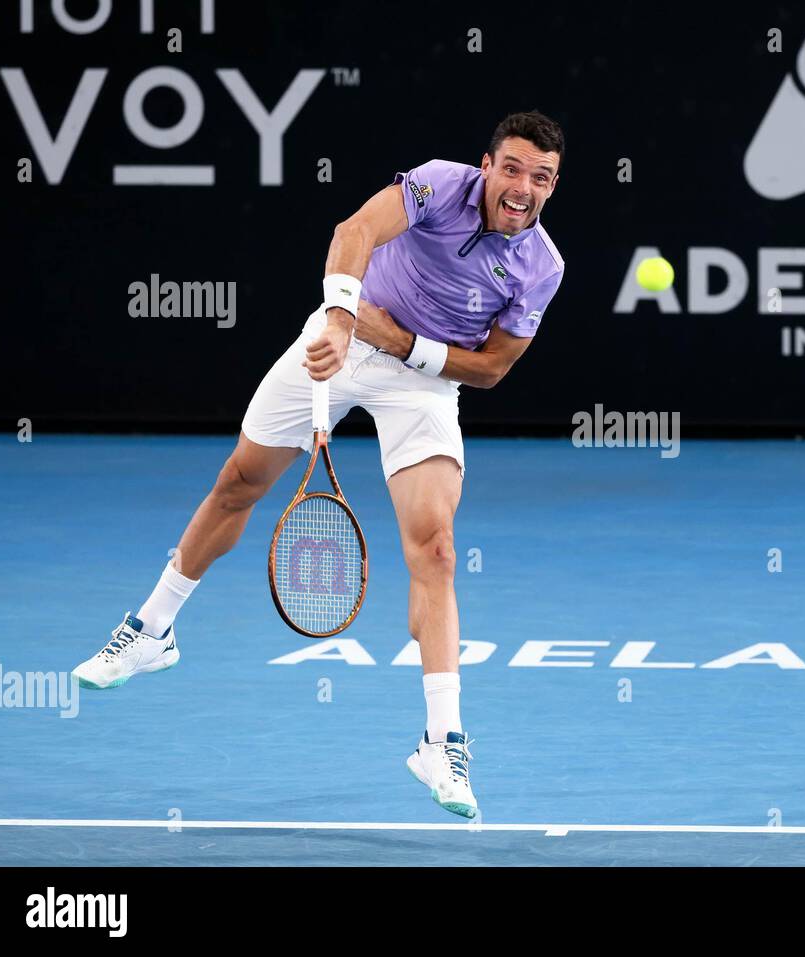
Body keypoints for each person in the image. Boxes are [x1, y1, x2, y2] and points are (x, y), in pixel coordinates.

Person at [71, 111, 567, 820]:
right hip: (346, 337)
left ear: (553, 185)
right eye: (511, 168)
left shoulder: (541, 266)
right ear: (486, 167)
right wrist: (339, 321)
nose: (522, 187)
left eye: (540, 177)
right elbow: (353, 234)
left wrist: (405, 346)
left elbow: (490, 369)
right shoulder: (436, 184)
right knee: (240, 480)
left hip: (421, 378)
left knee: (436, 547)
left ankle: (442, 738)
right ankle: (152, 630)